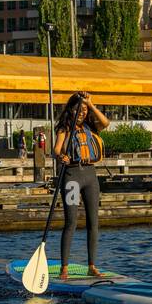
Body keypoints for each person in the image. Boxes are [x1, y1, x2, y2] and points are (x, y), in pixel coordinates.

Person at [53, 91, 110, 279]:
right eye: (81, 108)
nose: (84, 112)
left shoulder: (90, 125)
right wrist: (62, 156)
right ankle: (64, 268)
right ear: (72, 109)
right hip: (71, 177)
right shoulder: (64, 128)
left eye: (85, 109)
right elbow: (56, 150)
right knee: (71, 222)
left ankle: (92, 265)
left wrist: (91, 104)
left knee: (94, 222)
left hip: (90, 177)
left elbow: (106, 123)